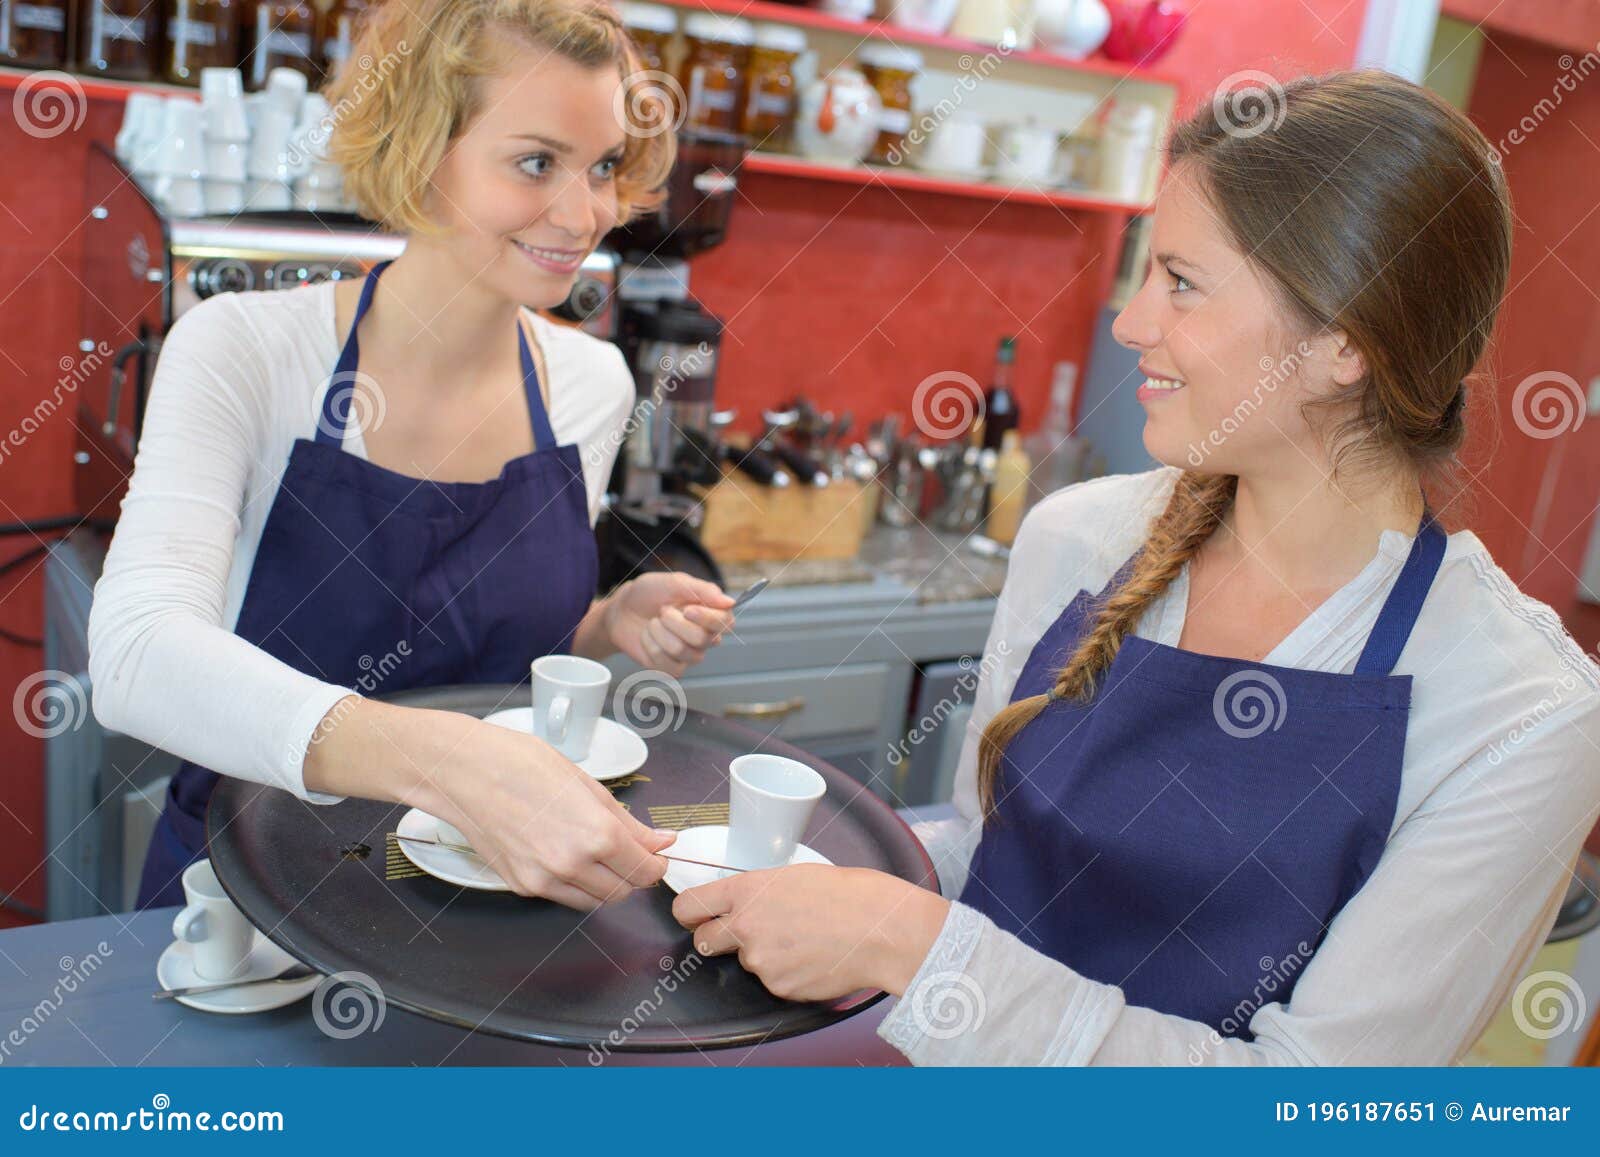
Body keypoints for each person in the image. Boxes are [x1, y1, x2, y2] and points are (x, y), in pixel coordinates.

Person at [672, 70, 1600, 1065]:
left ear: (1343, 340)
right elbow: (985, 867)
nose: (1131, 322)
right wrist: (789, 872)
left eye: (1183, 282)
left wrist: (917, 948)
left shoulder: (1524, 715)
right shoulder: (1078, 539)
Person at [88, 0, 735, 912]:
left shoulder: (591, 385)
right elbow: (135, 655)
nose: (584, 211)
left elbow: (466, 627)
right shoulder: (244, 349)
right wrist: (444, 763)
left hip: (483, 894)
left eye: (604, 168)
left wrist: (603, 620)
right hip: (249, 897)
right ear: (421, 150)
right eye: (536, 162)